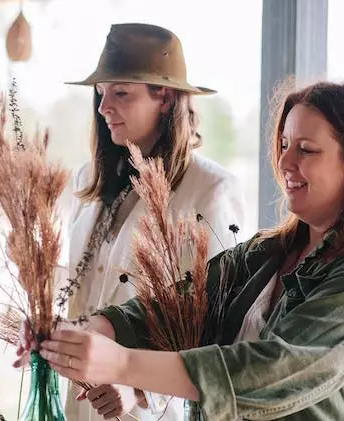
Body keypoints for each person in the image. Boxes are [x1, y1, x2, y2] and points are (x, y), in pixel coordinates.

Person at [17, 80, 344, 420]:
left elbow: (272, 370)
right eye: (284, 144)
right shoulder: (267, 253)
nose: (285, 162)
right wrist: (78, 332)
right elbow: (177, 304)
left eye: (306, 149)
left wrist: (122, 365)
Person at [48, 22, 245, 421]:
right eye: (101, 94)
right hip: (79, 407)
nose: (104, 108)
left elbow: (218, 328)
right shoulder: (88, 180)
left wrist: (140, 390)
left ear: (167, 98)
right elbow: (77, 287)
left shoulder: (211, 191)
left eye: (121, 93)